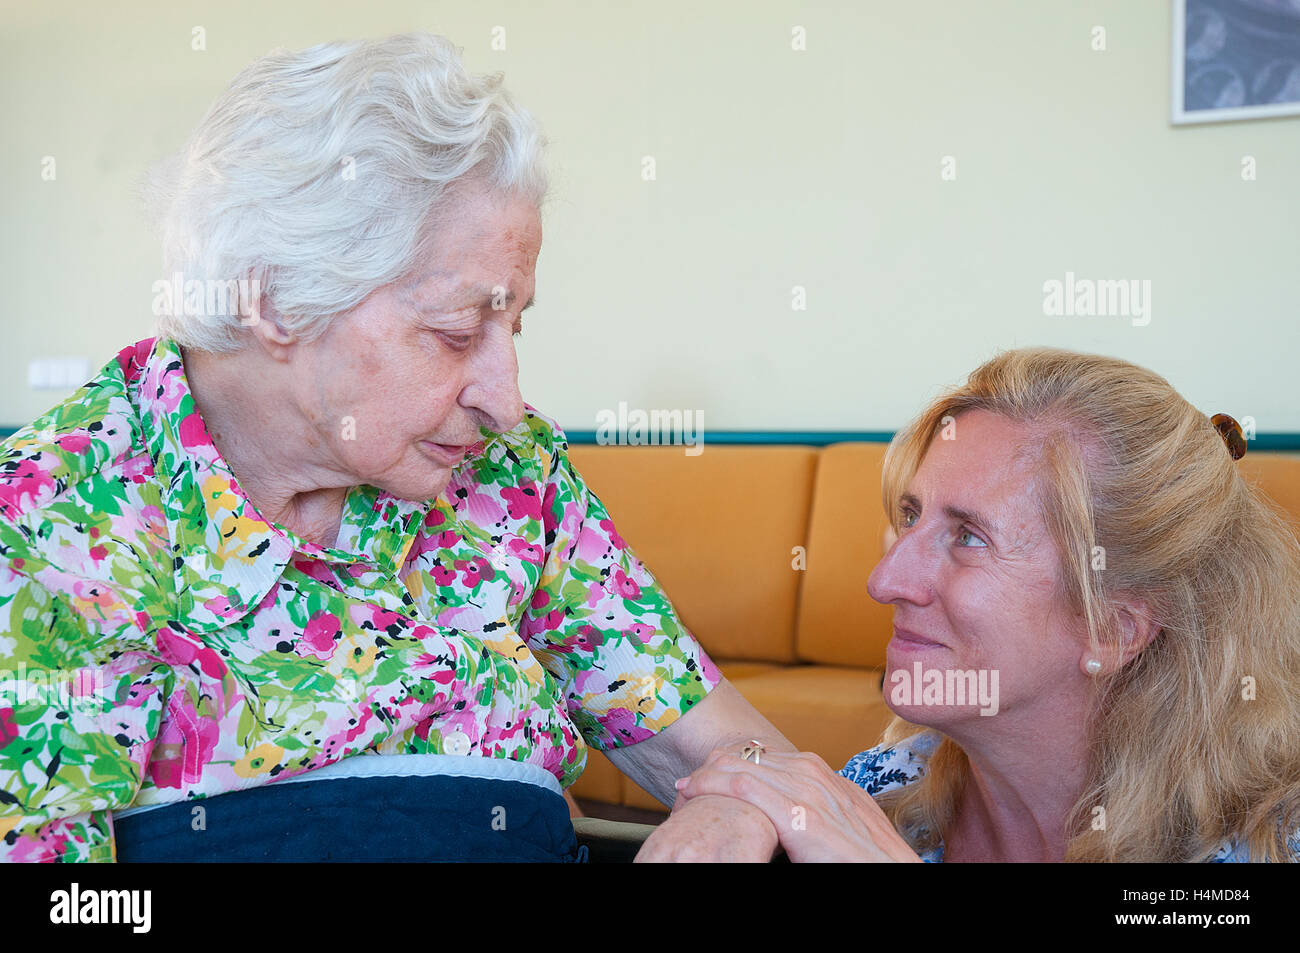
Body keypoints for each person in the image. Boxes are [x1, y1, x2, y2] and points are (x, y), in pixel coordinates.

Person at [0, 33, 793, 862]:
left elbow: (727, 747)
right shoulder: (48, 526)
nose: (507, 398)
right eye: (456, 331)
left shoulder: (513, 476)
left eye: (512, 324)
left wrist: (742, 802)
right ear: (274, 298)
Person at [673, 348, 1300, 862]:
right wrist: (739, 798)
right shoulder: (884, 788)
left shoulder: (1263, 845)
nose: (885, 580)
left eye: (970, 536)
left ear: (1112, 627)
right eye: (910, 517)